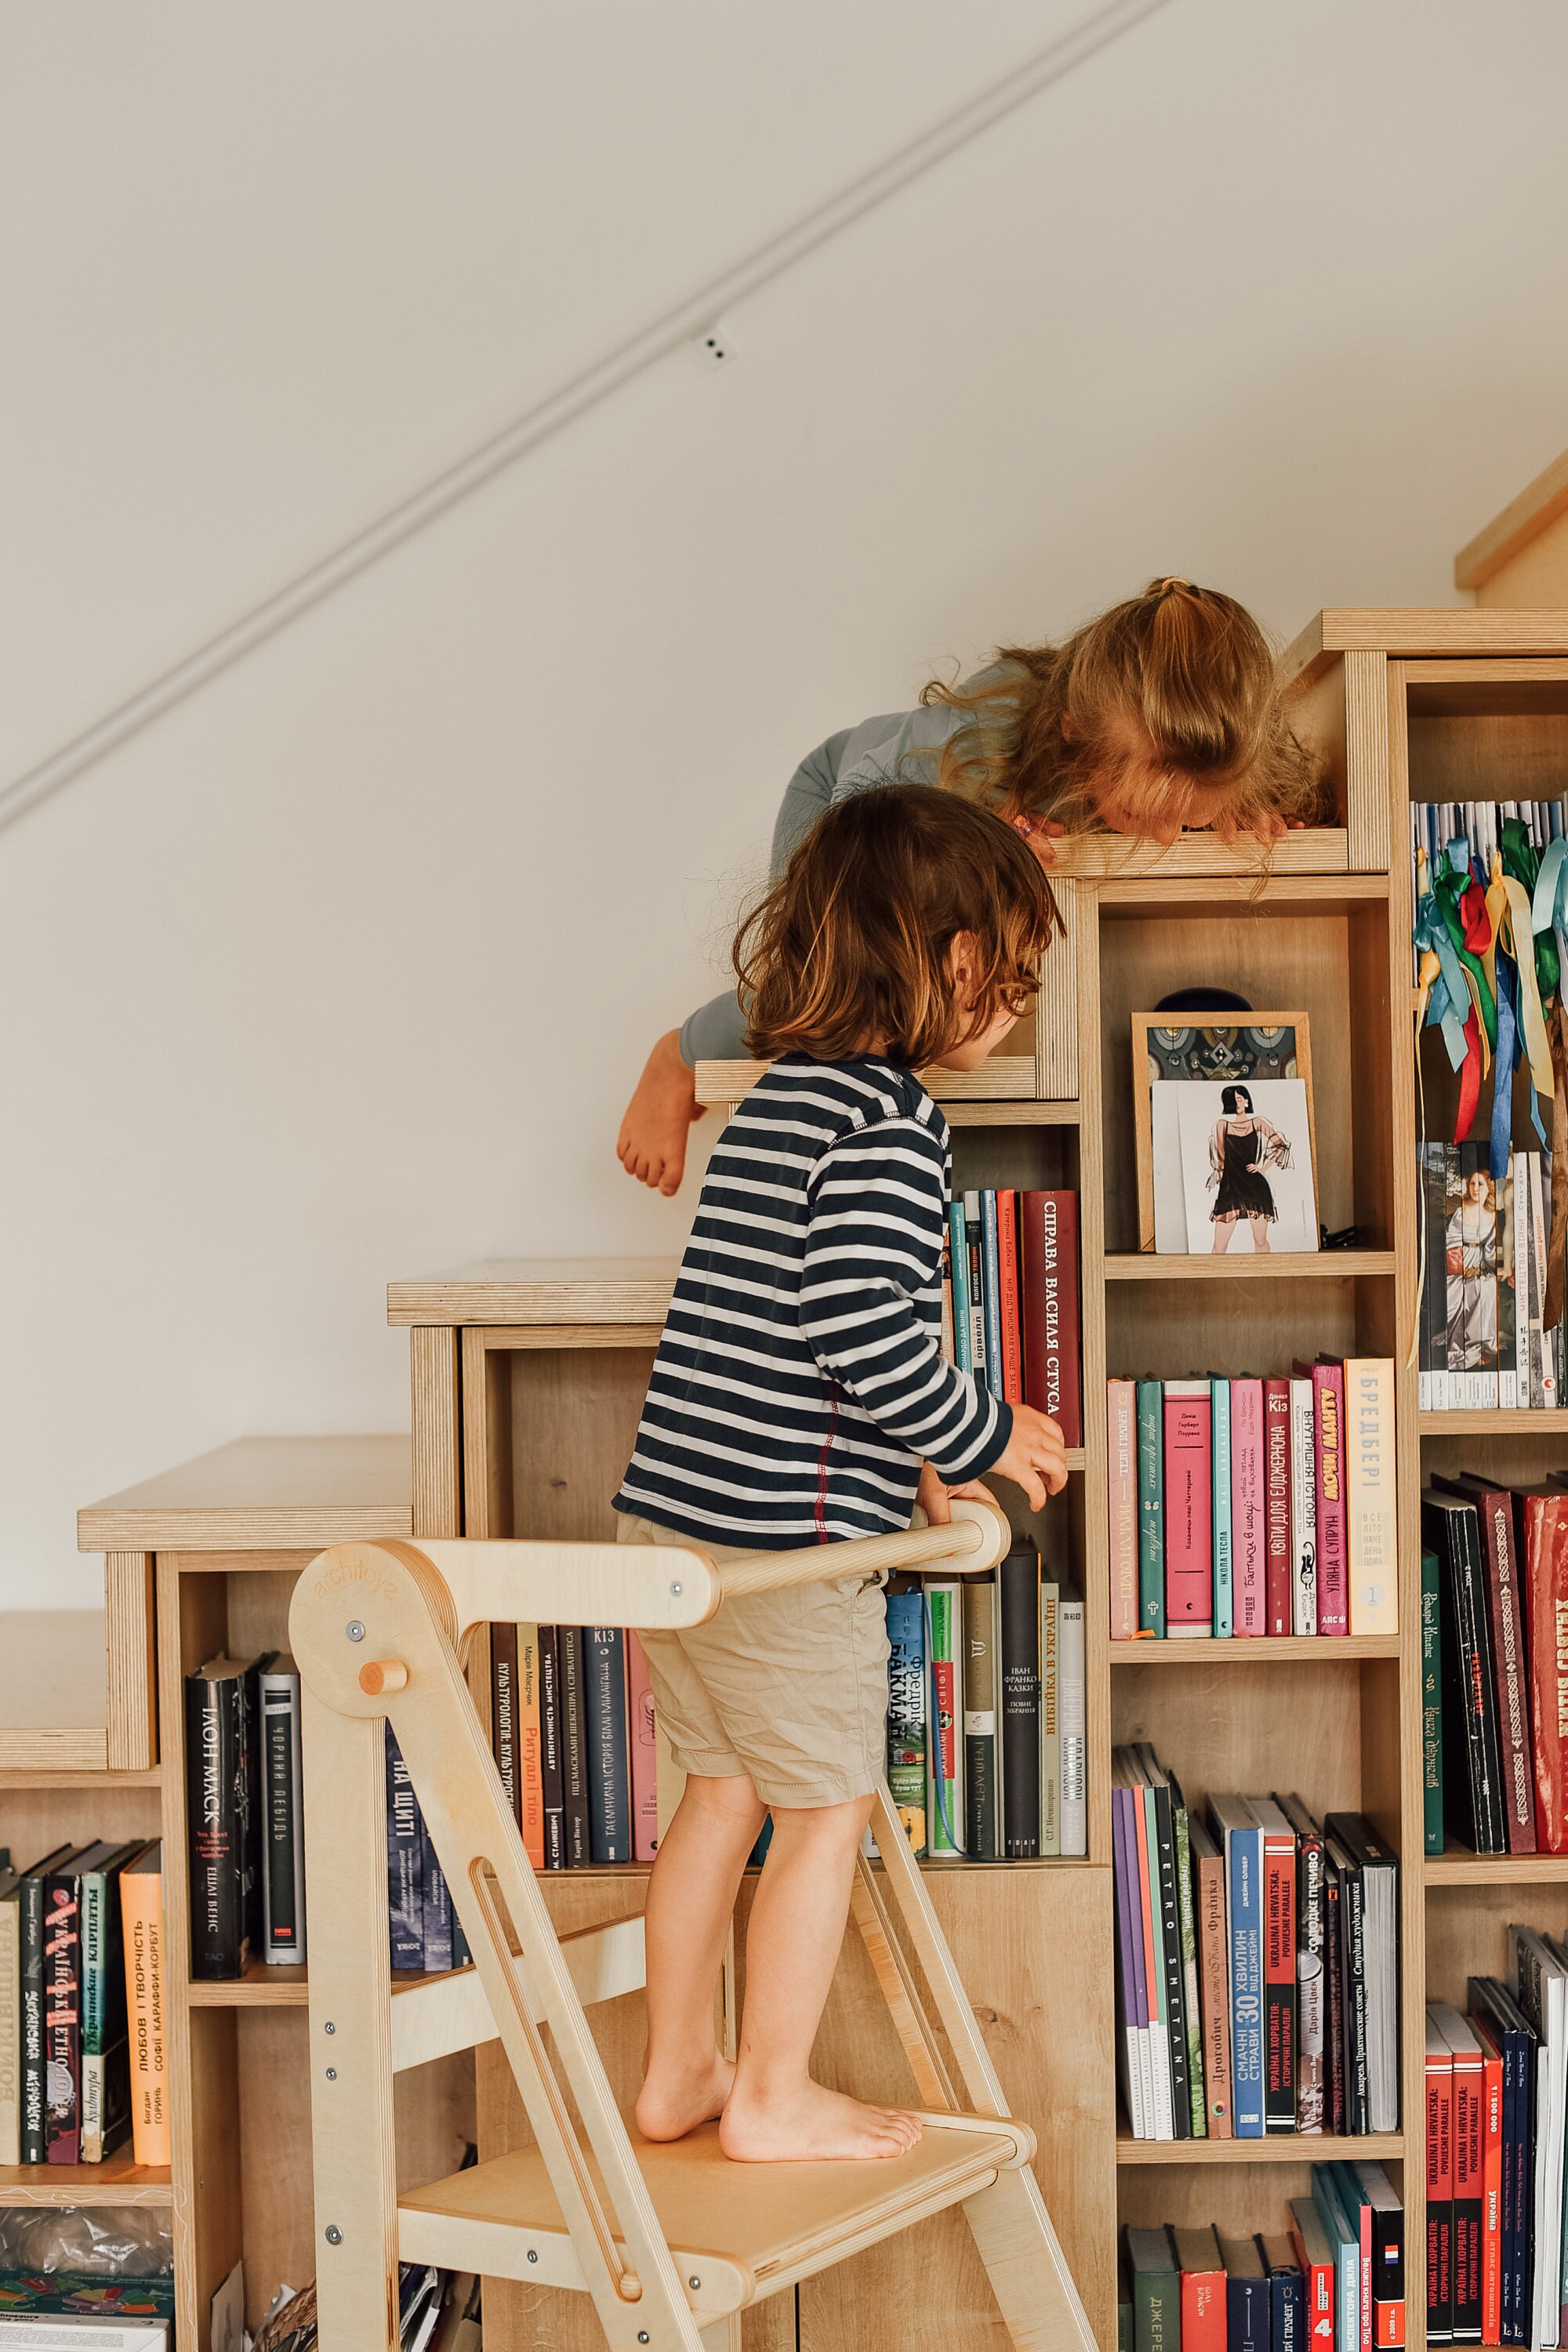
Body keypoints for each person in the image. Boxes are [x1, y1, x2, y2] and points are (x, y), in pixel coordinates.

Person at [613, 785, 1069, 2162]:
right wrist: (982, 1429)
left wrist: (921, 1463)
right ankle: (770, 2094)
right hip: (785, 1553)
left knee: (718, 1798)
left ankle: (676, 2073)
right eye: (1016, 970)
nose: (1021, 1002)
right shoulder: (891, 1121)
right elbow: (861, 1326)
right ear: (950, 963)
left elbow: (788, 1339)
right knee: (827, 1813)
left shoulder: (778, 1103)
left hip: (675, 1533)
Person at [619, 576, 1324, 1194]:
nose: (1167, 839)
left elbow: (1271, 794)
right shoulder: (978, 737)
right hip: (850, 803)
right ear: (1076, 739)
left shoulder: (1217, 748)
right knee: (818, 982)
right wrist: (978, 832)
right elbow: (862, 828)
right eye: (1147, 816)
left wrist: (1250, 813)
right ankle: (678, 1054)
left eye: (1192, 820)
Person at [1208, 1082, 1291, 1254]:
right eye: (1233, 1100)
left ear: (1246, 1101)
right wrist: (1223, 1185)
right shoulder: (1221, 1125)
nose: (1237, 1103)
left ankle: (1265, 1275)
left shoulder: (1258, 1122)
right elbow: (1220, 1160)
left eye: (1239, 1099)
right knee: (1219, 1246)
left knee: (1260, 1241)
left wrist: (1262, 1168)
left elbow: (1281, 1145)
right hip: (1231, 1187)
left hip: (1255, 1187)